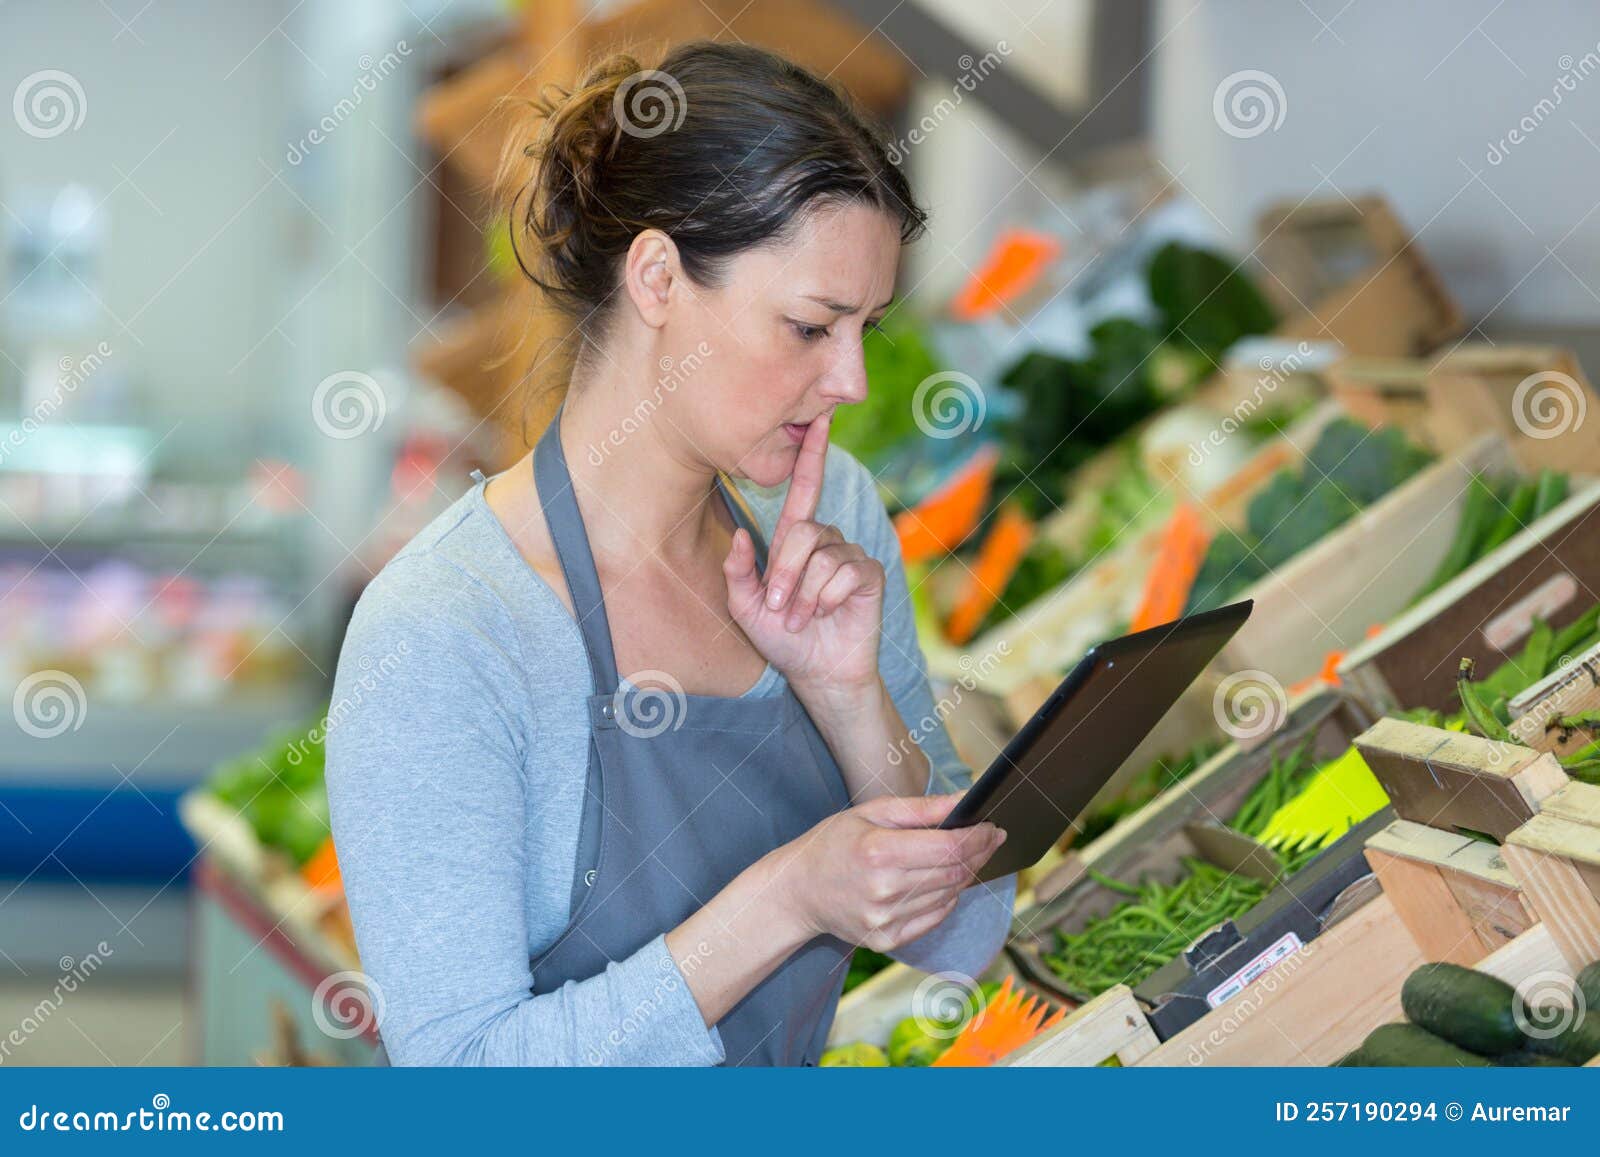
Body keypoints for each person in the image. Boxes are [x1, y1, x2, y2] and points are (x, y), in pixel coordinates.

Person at [326, 40, 1014, 1067]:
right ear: (656, 277)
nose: (853, 381)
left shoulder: (829, 524)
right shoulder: (449, 627)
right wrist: (785, 897)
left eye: (866, 326)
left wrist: (848, 695)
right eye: (809, 326)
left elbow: (961, 933)